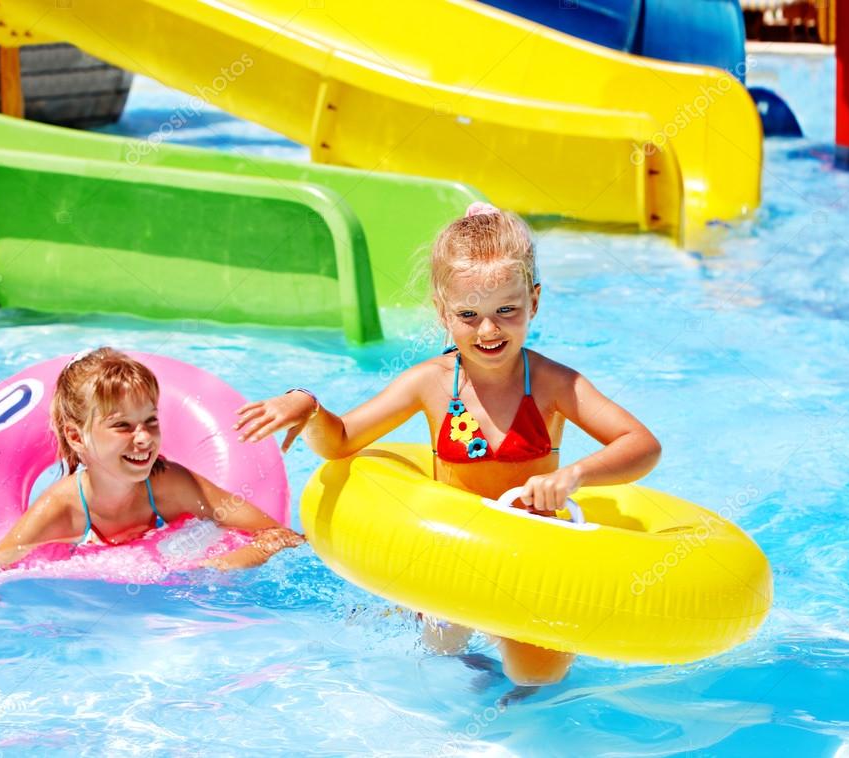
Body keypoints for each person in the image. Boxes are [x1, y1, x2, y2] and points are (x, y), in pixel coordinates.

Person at [233, 203, 661, 686]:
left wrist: (573, 475)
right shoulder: (429, 383)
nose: (488, 330)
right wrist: (306, 405)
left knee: (535, 677)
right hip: (450, 559)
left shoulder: (554, 383)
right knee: (442, 650)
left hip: (531, 562)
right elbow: (342, 441)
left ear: (534, 302)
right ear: (442, 312)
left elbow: (642, 444)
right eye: (468, 314)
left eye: (507, 310)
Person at [0, 347, 303, 572]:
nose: (144, 438)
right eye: (122, 426)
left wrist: (215, 569)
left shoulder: (170, 484)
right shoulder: (60, 509)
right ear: (75, 437)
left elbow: (280, 536)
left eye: (151, 421)